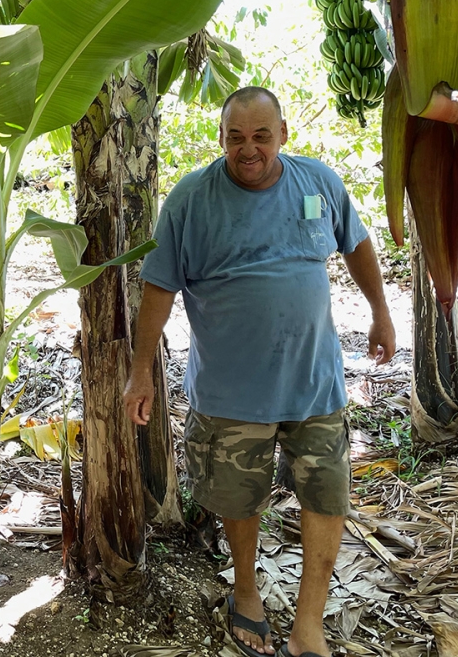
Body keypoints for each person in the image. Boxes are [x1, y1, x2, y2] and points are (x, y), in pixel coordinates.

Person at [124, 87, 395, 657]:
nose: (248, 149)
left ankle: (308, 624)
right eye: (236, 137)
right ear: (222, 138)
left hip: (315, 386)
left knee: (327, 496)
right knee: (238, 499)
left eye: (261, 136)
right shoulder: (191, 200)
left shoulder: (318, 182)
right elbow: (158, 288)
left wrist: (381, 312)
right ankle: (245, 592)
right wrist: (141, 372)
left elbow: (357, 244)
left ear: (283, 135)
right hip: (231, 396)